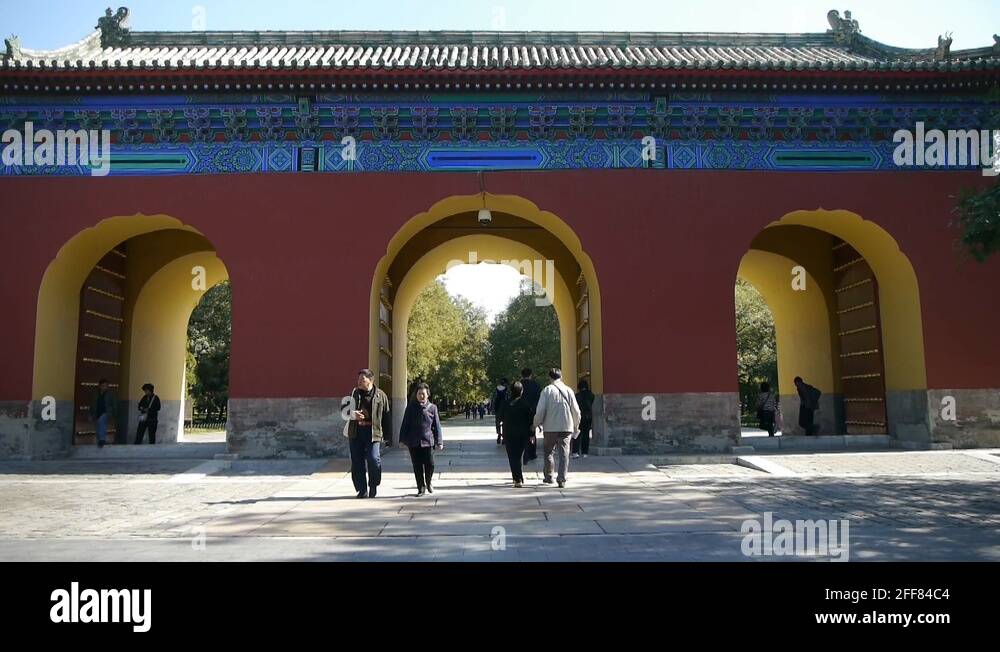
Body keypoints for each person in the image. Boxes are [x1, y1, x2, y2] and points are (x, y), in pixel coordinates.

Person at [533, 368, 581, 489]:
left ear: (550, 378)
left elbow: (540, 410)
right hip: (566, 426)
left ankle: (549, 476)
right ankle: (562, 479)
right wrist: (576, 425)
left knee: (549, 451)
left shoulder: (547, 390)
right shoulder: (569, 390)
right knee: (564, 453)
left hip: (550, 427)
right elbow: (576, 411)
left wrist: (536, 423)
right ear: (561, 377)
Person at [346, 369, 390, 498]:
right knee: (357, 461)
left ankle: (373, 485)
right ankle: (361, 489)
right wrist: (353, 414)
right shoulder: (354, 393)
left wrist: (387, 437)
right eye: (358, 380)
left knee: (373, 459)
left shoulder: (381, 395)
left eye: (362, 380)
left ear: (371, 381)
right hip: (356, 432)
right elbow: (344, 410)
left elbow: (387, 417)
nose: (359, 382)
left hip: (373, 432)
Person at [398, 382, 443, 497]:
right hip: (413, 442)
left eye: (423, 394)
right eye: (419, 394)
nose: (421, 396)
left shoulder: (433, 408)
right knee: (417, 465)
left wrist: (439, 441)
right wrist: (402, 439)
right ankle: (420, 487)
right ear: (416, 395)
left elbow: (437, 426)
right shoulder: (410, 408)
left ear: (427, 394)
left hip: (427, 441)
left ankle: (428, 482)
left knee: (430, 464)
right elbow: (405, 424)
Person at [500, 381, 534, 487]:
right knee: (519, 456)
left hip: (509, 433)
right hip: (522, 434)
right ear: (522, 391)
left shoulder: (505, 403)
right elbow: (530, 420)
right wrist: (532, 434)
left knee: (512, 457)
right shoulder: (526, 404)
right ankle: (518, 477)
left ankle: (517, 478)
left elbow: (500, 417)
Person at [519, 368, 542, 464]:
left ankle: (523, 451)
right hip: (532, 412)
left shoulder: (518, 385)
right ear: (531, 375)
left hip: (520, 412)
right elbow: (539, 400)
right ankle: (532, 452)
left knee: (521, 432)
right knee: (532, 433)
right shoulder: (536, 385)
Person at [572, 380, 595, 458]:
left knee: (577, 433)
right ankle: (585, 452)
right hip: (588, 417)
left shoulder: (577, 395)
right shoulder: (591, 395)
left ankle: (576, 452)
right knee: (586, 434)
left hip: (579, 416)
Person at [91, 379, 117, 448]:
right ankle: (99, 440)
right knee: (98, 426)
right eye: (103, 386)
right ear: (99, 386)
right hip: (97, 412)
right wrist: (91, 413)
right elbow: (92, 404)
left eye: (106, 386)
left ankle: (102, 440)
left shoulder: (110, 394)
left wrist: (114, 413)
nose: (105, 387)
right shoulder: (96, 394)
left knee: (101, 421)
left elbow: (114, 404)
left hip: (106, 412)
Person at [492, 378, 509, 445]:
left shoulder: (496, 389)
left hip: (497, 409)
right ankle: (504, 438)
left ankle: (499, 434)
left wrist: (493, 409)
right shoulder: (507, 390)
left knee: (497, 422)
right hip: (505, 409)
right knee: (505, 423)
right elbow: (509, 399)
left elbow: (493, 399)